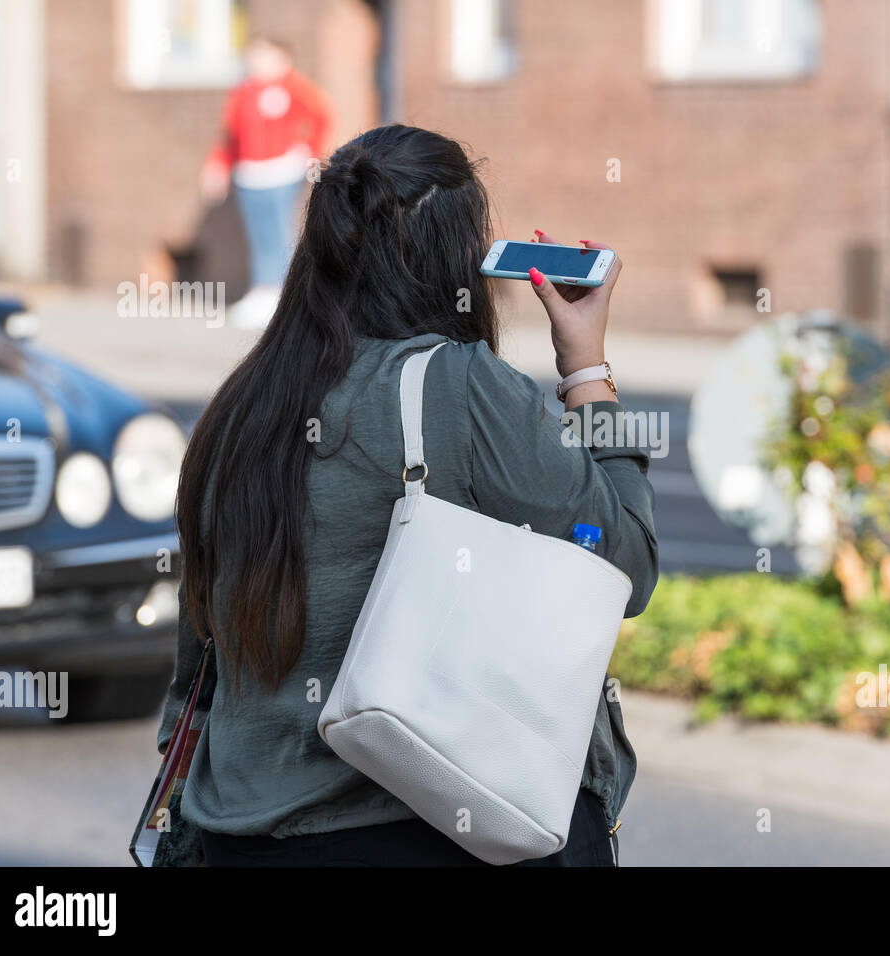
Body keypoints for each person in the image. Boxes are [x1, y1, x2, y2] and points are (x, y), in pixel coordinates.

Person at [163, 124, 659, 866]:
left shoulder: (242, 408)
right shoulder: (462, 388)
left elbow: (197, 660)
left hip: (242, 832)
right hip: (434, 831)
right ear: (459, 253)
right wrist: (586, 367)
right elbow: (624, 561)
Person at [201, 35, 333, 330]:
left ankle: (283, 296)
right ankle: (262, 290)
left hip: (282, 171)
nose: (257, 62)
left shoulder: (296, 88)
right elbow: (229, 136)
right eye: (253, 56)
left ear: (282, 59)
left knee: (278, 232)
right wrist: (217, 167)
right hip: (249, 174)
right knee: (259, 233)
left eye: (265, 56)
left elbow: (321, 117)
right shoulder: (243, 92)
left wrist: (309, 154)